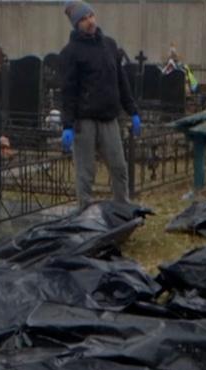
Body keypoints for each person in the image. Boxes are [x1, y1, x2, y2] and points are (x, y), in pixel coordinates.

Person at [59, 0, 141, 211]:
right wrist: (67, 125)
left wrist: (132, 111)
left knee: (119, 167)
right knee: (85, 173)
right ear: (77, 24)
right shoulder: (71, 52)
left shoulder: (110, 45)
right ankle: (85, 214)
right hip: (84, 121)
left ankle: (122, 209)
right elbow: (68, 91)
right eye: (84, 19)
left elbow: (121, 81)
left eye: (91, 16)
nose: (89, 21)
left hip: (109, 118)